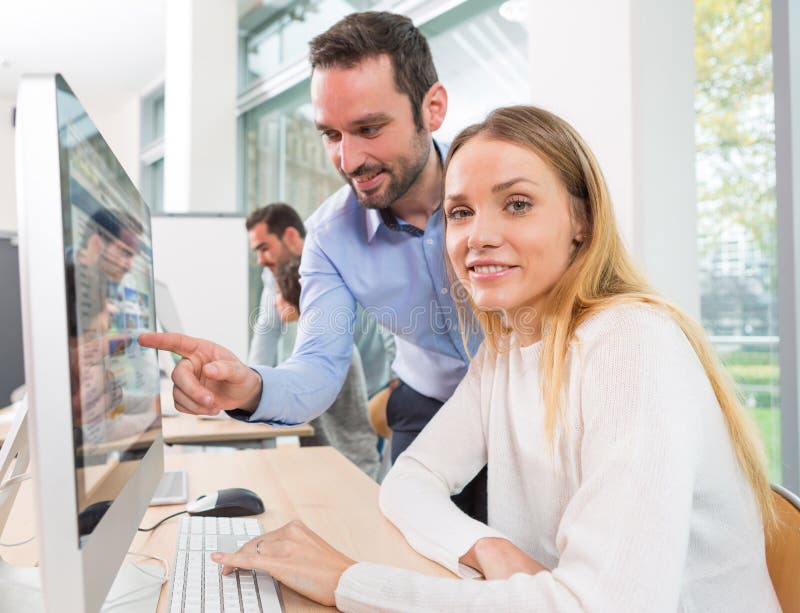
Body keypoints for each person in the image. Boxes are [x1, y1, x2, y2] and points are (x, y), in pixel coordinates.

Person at [209, 105, 780, 612]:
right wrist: (488, 547)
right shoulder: (506, 351)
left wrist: (348, 581)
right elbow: (409, 479)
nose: (479, 235)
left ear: (581, 220)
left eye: (517, 204)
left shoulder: (632, 343)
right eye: (460, 213)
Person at [139, 12, 487, 520]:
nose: (349, 159)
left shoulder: (497, 186)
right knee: (419, 554)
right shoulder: (330, 239)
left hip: (522, 399)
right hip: (426, 404)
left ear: (432, 108)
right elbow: (320, 367)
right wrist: (251, 385)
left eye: (369, 128)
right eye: (331, 134)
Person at [274, 258, 380, 479]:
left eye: (278, 293)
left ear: (294, 296)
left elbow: (292, 400)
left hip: (348, 464)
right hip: (335, 458)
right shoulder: (316, 336)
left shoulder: (324, 344)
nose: (275, 302)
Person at [246, 203, 305, 367]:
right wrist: (252, 379)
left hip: (372, 379)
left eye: (264, 248)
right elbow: (268, 328)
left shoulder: (327, 263)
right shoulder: (275, 273)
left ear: (291, 236)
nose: (260, 260)